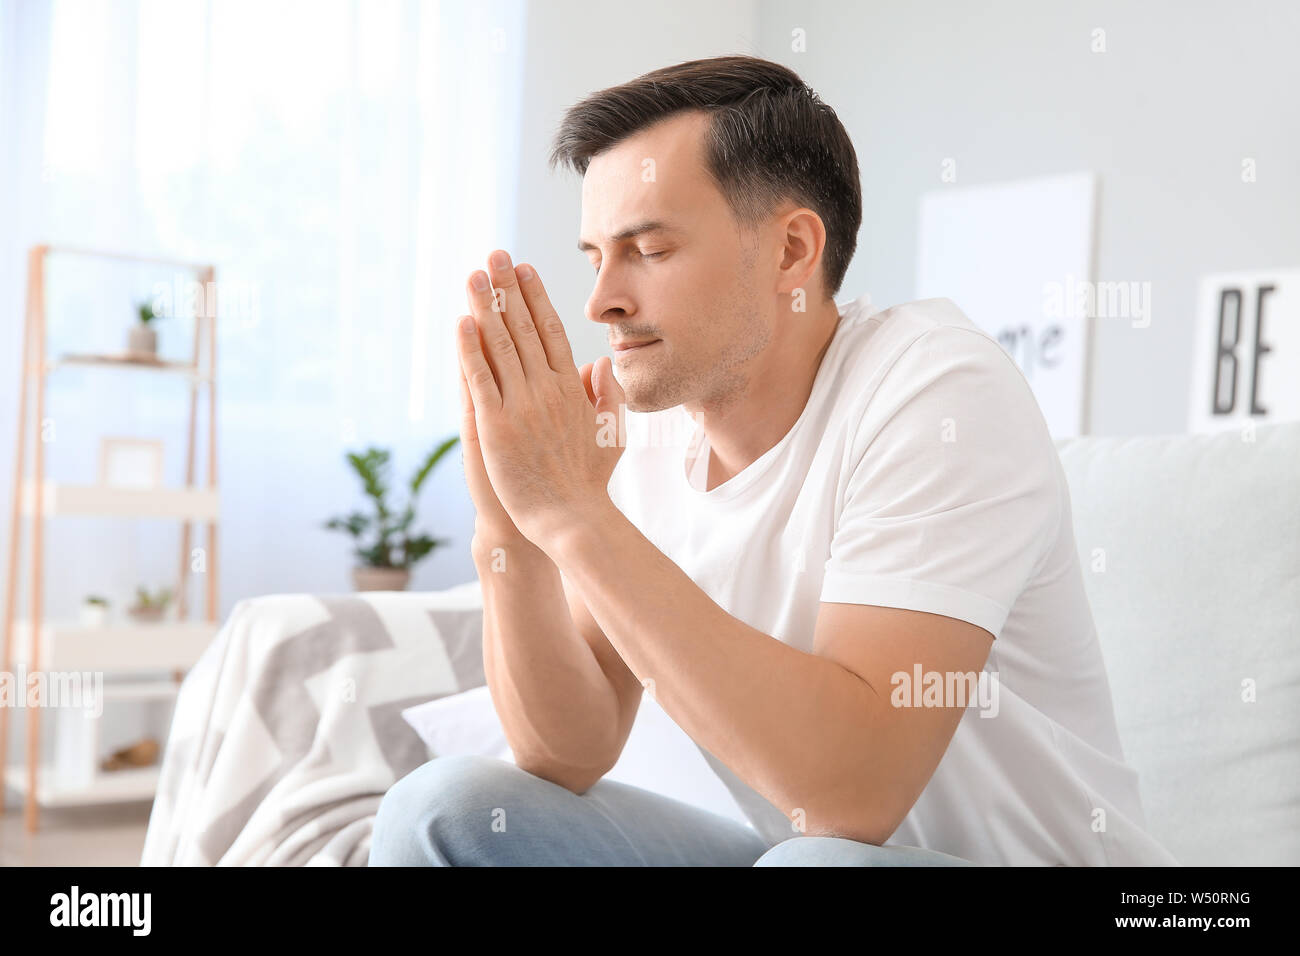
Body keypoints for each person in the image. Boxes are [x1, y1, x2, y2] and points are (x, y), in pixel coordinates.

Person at [369, 55, 1179, 867]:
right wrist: (506, 525)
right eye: (594, 257)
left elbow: (850, 796)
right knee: (446, 809)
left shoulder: (936, 389)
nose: (601, 301)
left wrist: (574, 514)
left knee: (813, 861)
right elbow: (569, 752)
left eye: (647, 249)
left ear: (792, 251)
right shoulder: (648, 434)